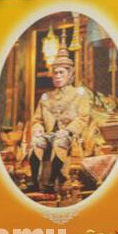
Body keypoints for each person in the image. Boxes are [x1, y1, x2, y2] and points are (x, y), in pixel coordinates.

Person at [26, 47, 92, 193]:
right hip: (49, 134)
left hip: (70, 135)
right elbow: (37, 120)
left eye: (61, 72)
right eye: (55, 73)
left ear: (70, 74)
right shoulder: (46, 97)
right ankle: (34, 181)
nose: (57, 76)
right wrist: (38, 129)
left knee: (60, 141)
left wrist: (68, 130)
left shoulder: (79, 95)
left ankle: (52, 180)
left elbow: (83, 117)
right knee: (37, 141)